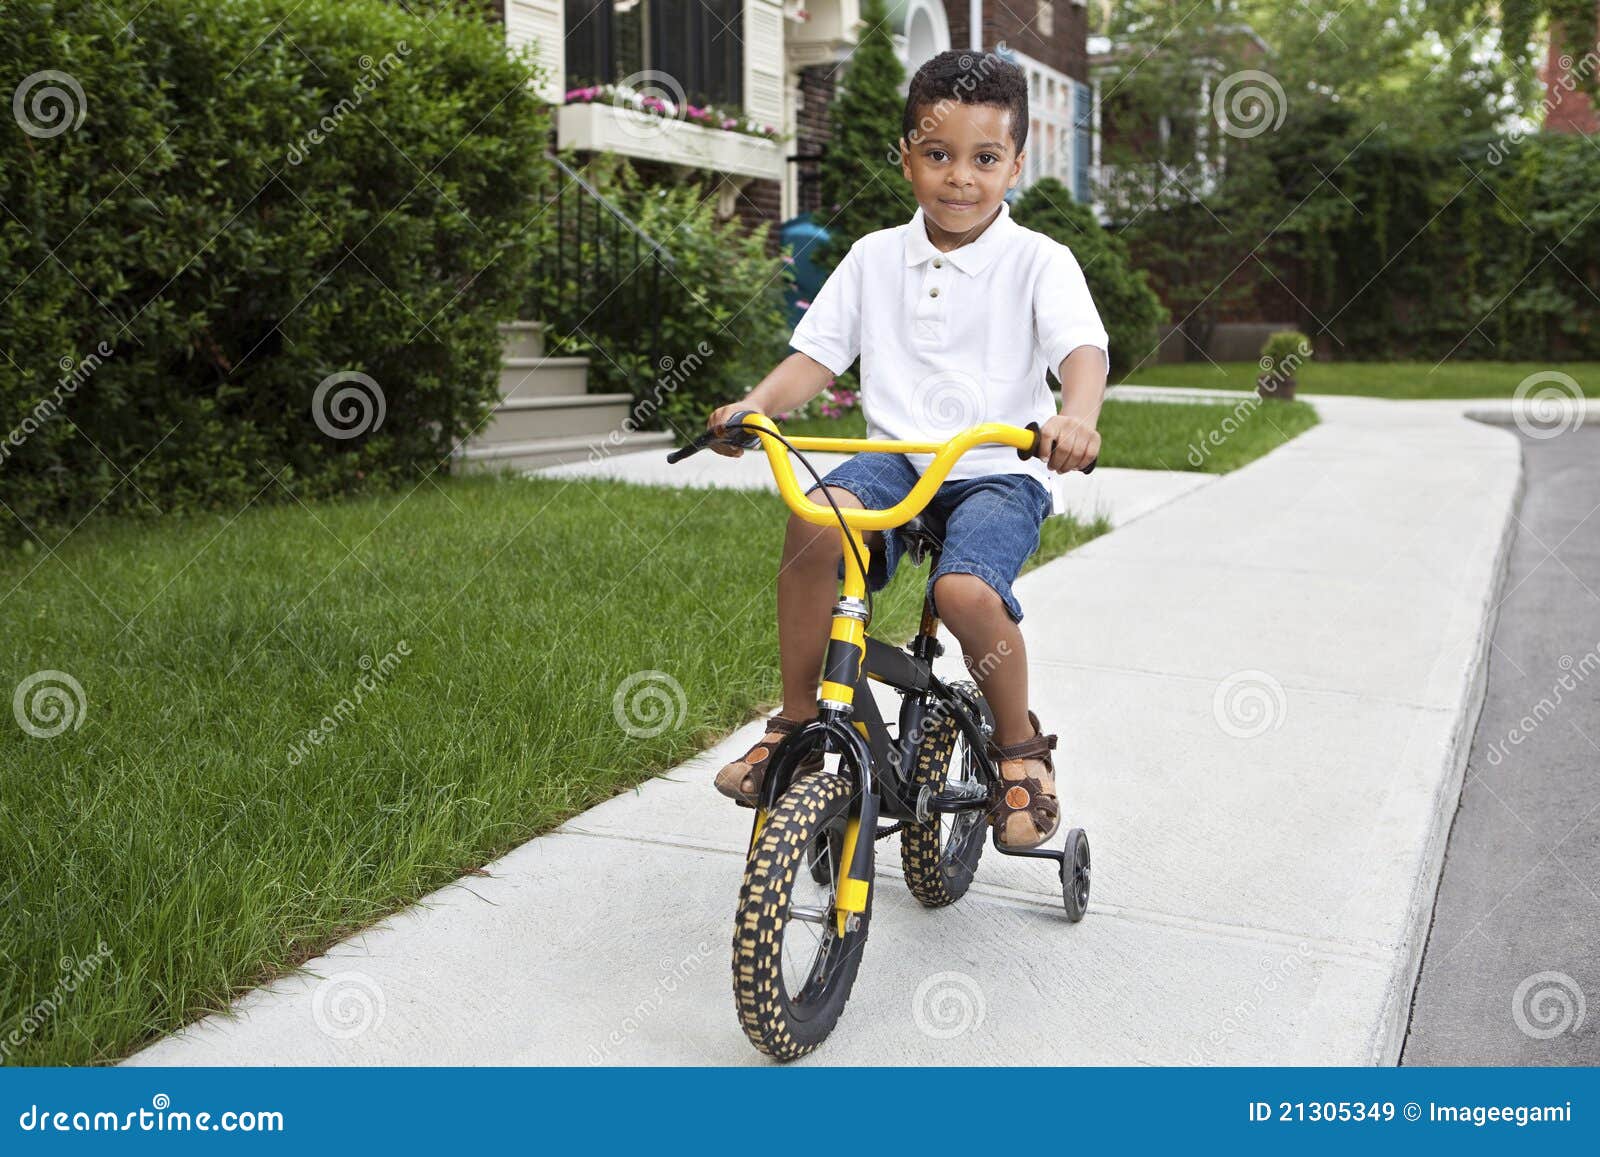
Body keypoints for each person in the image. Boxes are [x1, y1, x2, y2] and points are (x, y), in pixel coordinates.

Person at [704, 49, 1109, 849]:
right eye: (937, 154)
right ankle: (792, 722)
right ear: (907, 159)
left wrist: (1077, 415)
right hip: (898, 455)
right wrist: (755, 407)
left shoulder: (1039, 262)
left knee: (964, 594)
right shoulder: (873, 258)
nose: (960, 177)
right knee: (816, 520)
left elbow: (1080, 351)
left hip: (997, 467)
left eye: (984, 159)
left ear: (1016, 165)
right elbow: (815, 358)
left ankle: (1019, 746)